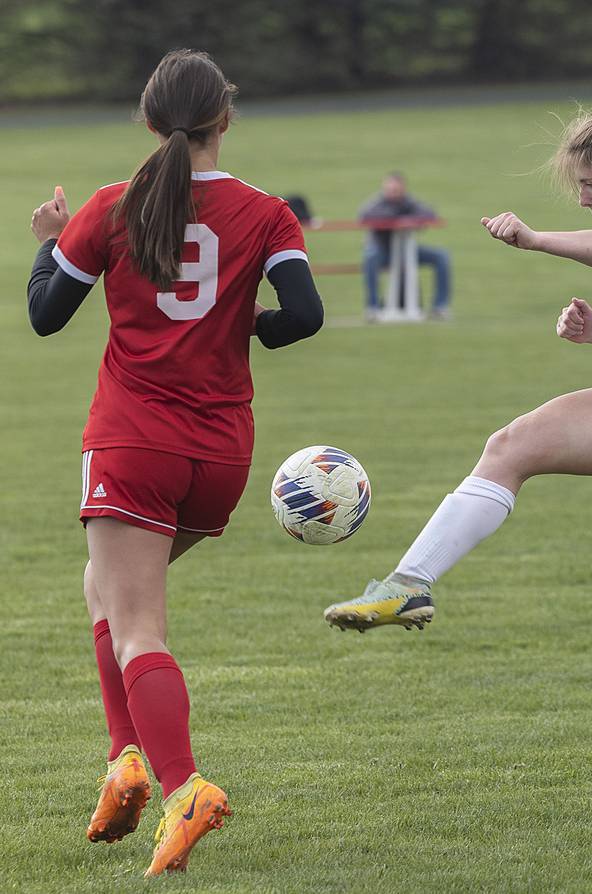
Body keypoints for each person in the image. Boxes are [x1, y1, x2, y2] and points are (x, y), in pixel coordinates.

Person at [324, 96, 592, 814]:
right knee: (513, 444)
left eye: (590, 187)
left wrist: (534, 240)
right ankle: (407, 584)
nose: (585, 201)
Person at [27, 49, 323, 876]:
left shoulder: (112, 206)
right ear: (225, 119)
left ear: (150, 123)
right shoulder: (266, 213)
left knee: (137, 626)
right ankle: (122, 758)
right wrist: (252, 329)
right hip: (221, 453)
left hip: (132, 442)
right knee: (106, 591)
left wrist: (49, 246)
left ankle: (180, 783)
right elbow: (304, 314)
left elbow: (47, 316)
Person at [359, 172, 451, 320]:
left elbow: (429, 213)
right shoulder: (377, 204)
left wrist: (408, 218)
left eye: (396, 190)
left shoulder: (409, 202)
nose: (393, 193)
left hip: (407, 251)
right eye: (390, 190)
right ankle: (373, 308)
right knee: (370, 256)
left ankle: (440, 307)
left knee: (441, 256)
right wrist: (396, 217)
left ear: (403, 189)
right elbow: (365, 216)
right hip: (383, 251)